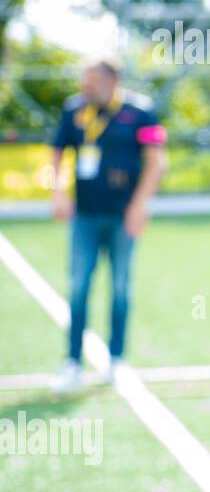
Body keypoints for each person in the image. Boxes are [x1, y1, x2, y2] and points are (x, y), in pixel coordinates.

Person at [49, 60, 167, 394]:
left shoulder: (141, 111)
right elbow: (55, 154)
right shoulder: (74, 110)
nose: (86, 88)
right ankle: (72, 361)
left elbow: (157, 162)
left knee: (120, 287)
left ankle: (116, 359)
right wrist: (56, 191)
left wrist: (140, 204)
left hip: (122, 216)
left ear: (112, 81)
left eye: (93, 82)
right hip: (85, 215)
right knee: (79, 286)